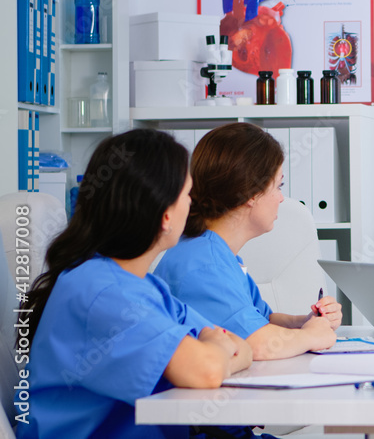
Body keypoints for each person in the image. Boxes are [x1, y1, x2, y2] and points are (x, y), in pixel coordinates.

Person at [19, 130, 252, 439]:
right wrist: (216, 348)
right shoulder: (102, 293)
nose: (192, 204)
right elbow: (207, 368)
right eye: (187, 194)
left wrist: (216, 350)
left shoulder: (145, 286)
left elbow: (240, 346)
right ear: (166, 215)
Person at [154, 123, 341, 360]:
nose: (282, 198)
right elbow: (258, 343)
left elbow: (263, 319)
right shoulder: (203, 264)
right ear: (252, 193)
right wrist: (312, 336)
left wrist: (306, 322)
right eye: (278, 186)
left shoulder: (219, 253)